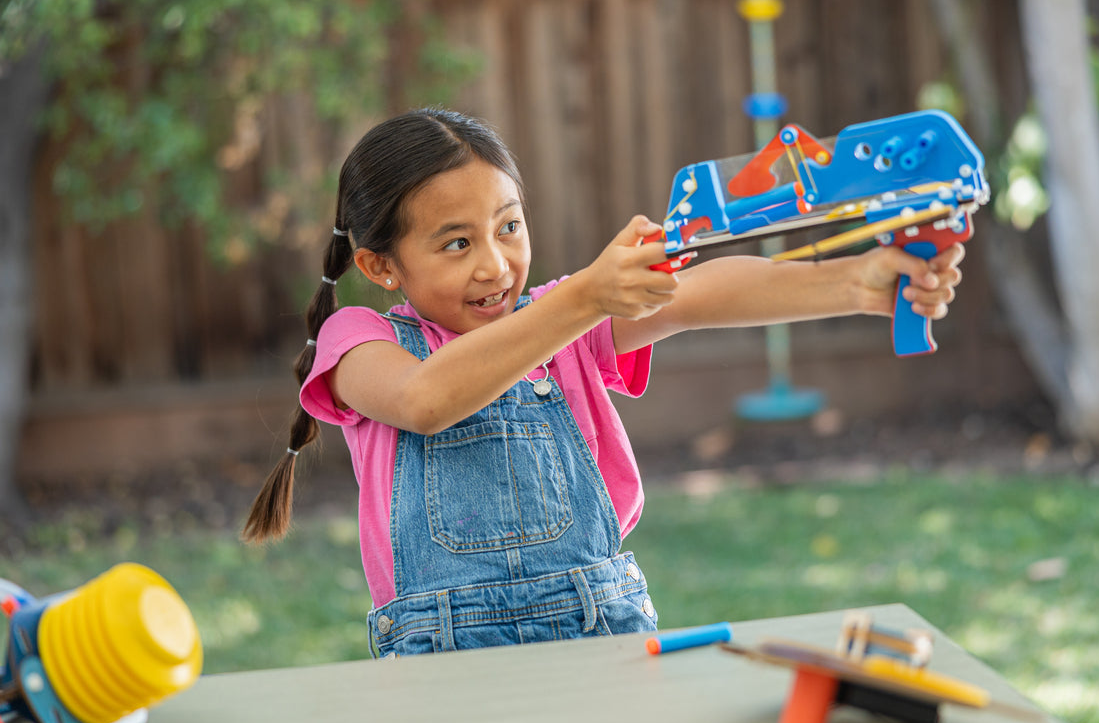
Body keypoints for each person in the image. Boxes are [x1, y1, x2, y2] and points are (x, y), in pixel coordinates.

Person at [242, 107, 965, 657]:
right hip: (445, 657)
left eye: (510, 227)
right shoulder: (360, 342)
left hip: (602, 629)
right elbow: (427, 400)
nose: (495, 264)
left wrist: (859, 282)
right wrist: (585, 296)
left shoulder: (562, 317)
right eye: (457, 243)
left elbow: (701, 293)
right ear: (382, 266)